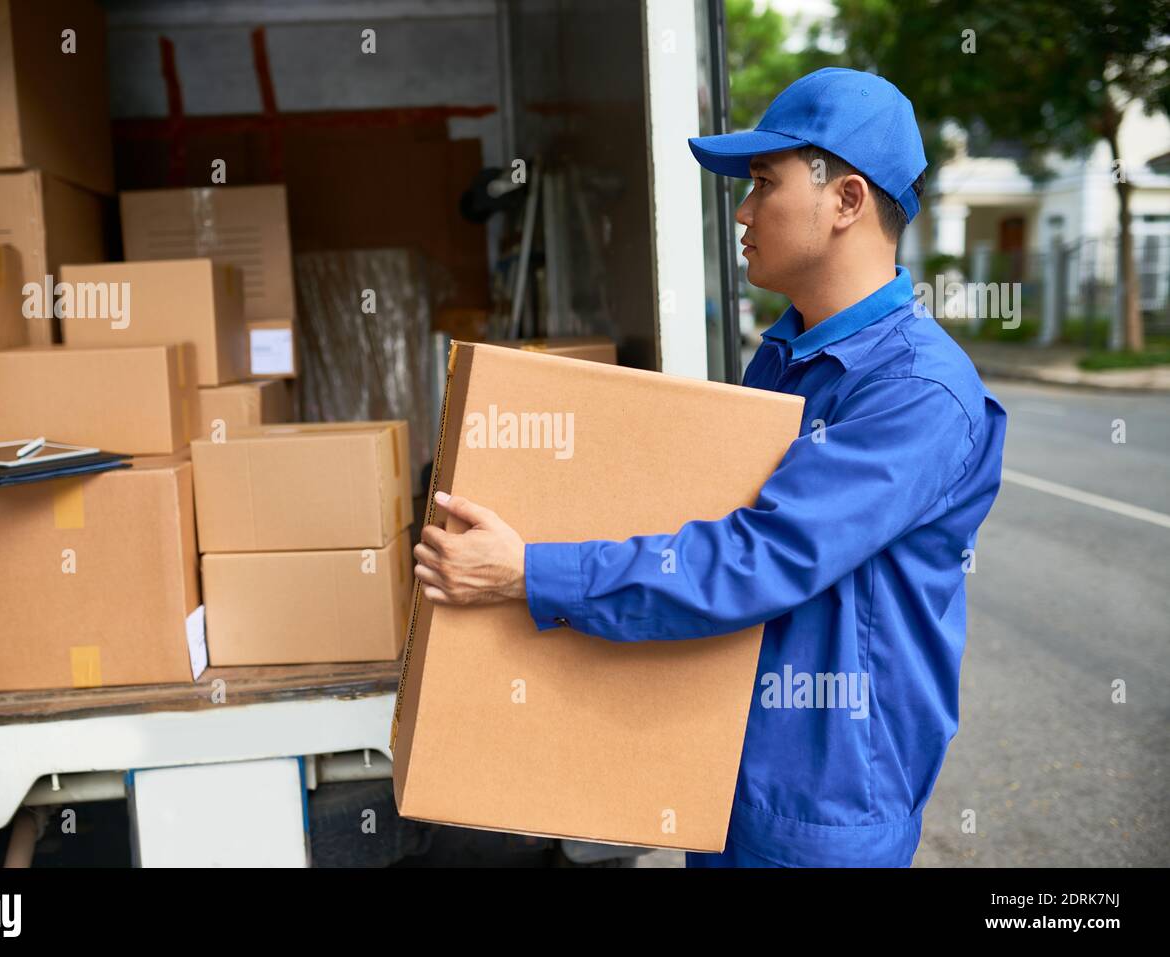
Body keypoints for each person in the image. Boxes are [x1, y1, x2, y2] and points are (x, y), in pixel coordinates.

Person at [412, 68, 1008, 868]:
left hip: (822, 819)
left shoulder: (916, 392)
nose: (743, 210)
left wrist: (528, 571)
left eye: (764, 183)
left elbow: (758, 560)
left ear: (847, 201)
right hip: (730, 784)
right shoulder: (786, 356)